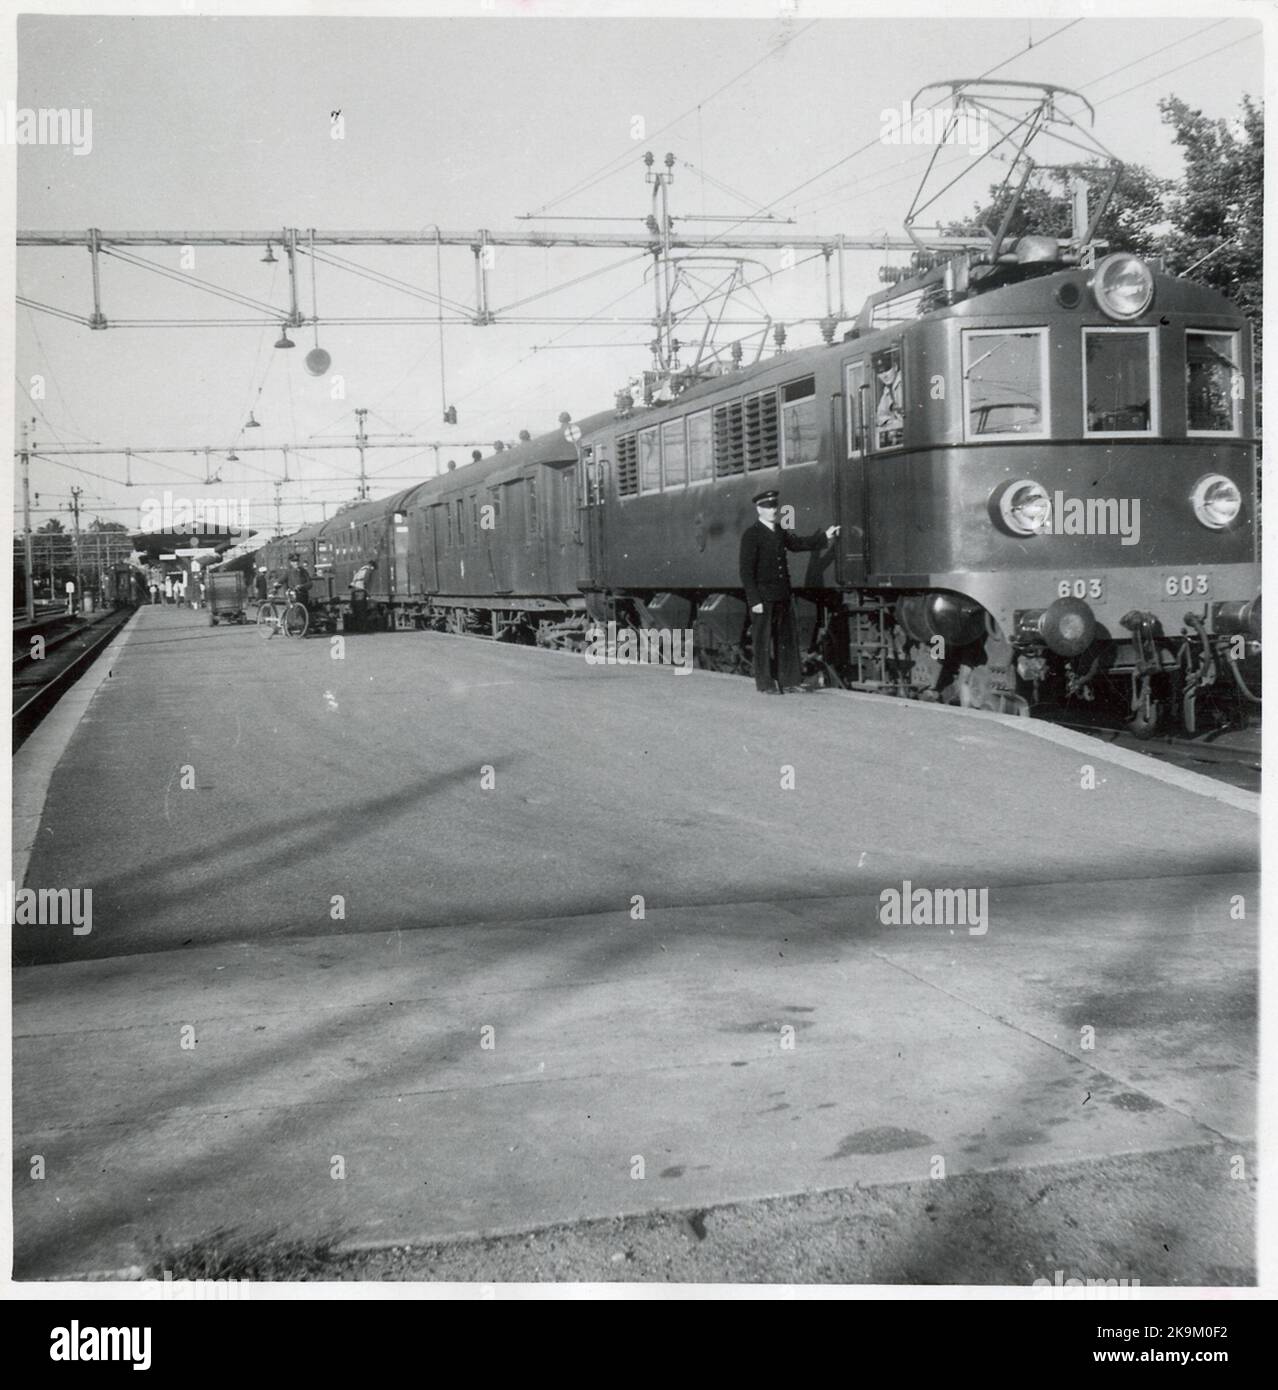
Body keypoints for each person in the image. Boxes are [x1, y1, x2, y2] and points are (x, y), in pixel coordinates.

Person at [739, 489, 839, 695]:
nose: (772, 510)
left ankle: (790, 681)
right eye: (767, 507)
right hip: (763, 597)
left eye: (774, 506)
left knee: (787, 640)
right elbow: (746, 571)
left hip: (782, 595)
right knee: (763, 641)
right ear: (759, 509)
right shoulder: (752, 534)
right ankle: (766, 684)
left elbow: (798, 544)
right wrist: (754, 599)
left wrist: (824, 537)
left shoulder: (779, 531)